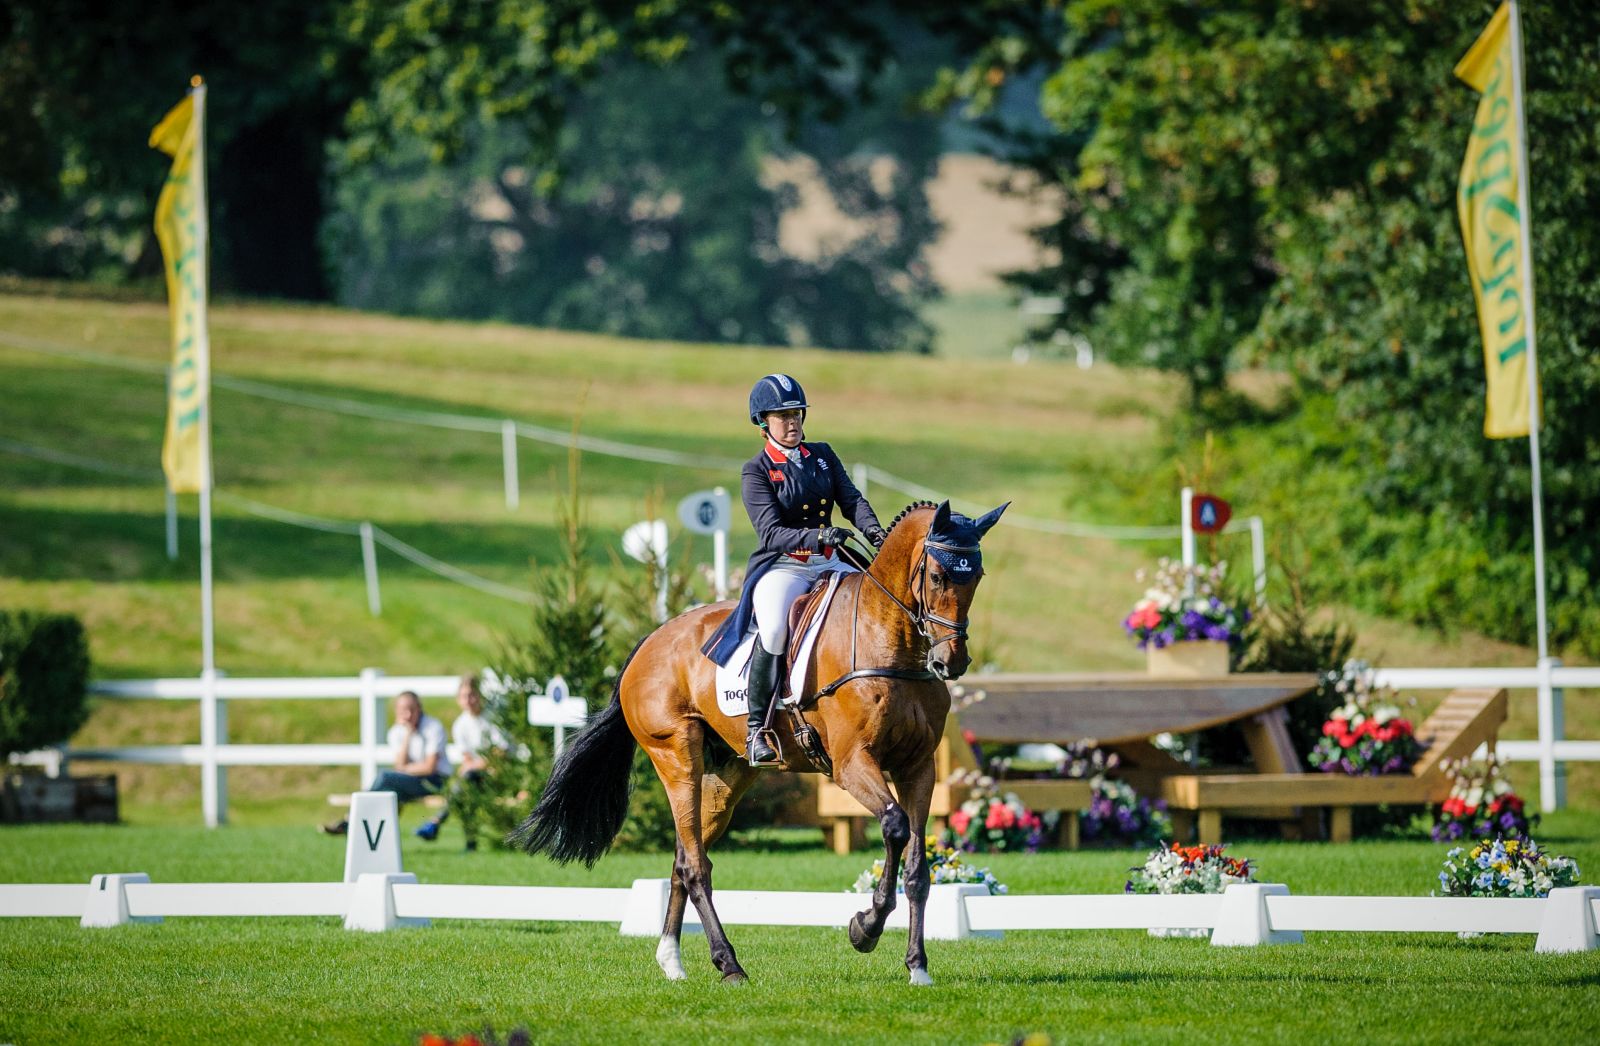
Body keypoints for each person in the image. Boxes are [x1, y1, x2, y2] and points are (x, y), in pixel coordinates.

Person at [702, 373, 886, 766]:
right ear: (762, 422)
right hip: (786, 566)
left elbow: (851, 500)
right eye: (782, 416)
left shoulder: (822, 454)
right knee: (772, 627)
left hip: (832, 559)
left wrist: (873, 531)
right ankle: (757, 730)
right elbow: (770, 532)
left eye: (796, 414)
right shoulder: (757, 470)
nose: (792, 423)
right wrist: (819, 535)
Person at [321, 690, 451, 835]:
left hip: (435, 781)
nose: (407, 715)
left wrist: (405, 768)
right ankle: (374, 835)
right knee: (388, 792)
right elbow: (400, 765)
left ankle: (351, 820)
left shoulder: (433, 727)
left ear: (419, 708)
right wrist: (408, 734)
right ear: (397, 711)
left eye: (411, 710)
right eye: (403, 710)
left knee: (385, 778)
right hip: (411, 782)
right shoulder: (396, 732)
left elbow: (429, 767)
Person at [415, 673, 507, 849]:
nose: (469, 700)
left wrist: (478, 765)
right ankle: (457, 834)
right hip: (478, 776)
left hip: (499, 775)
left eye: (472, 695)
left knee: (466, 783)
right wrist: (476, 766)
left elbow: (500, 753)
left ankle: (438, 823)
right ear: (459, 700)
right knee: (467, 787)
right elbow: (467, 759)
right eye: (465, 696)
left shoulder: (492, 717)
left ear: (480, 696)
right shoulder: (460, 725)